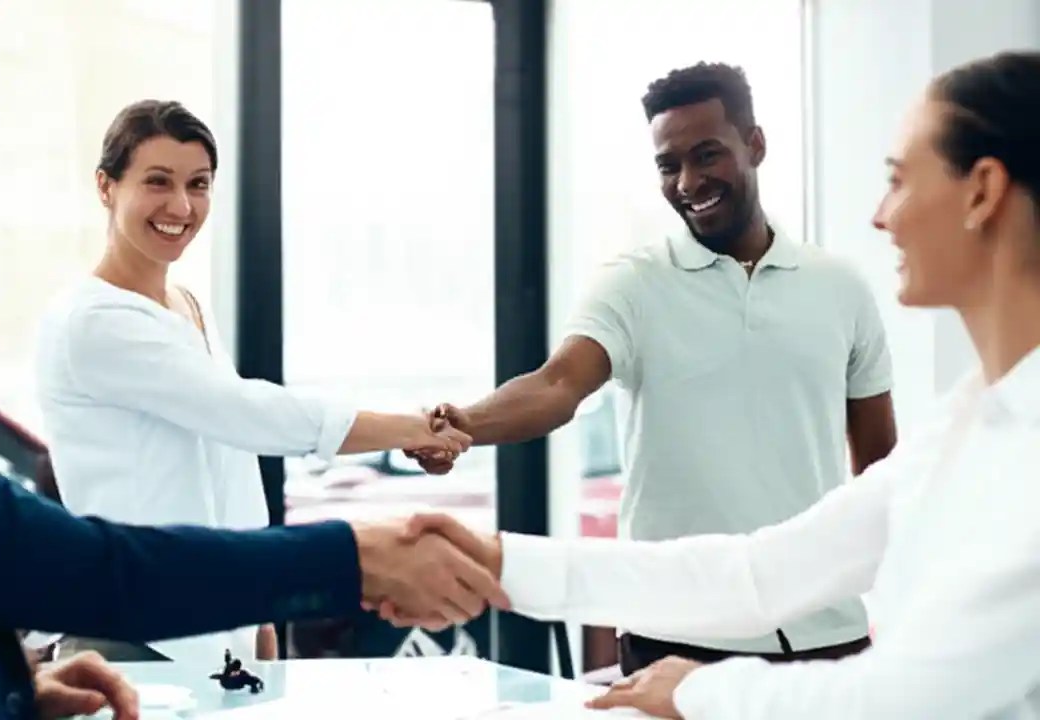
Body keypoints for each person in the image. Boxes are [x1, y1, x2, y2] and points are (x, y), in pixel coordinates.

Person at [0, 19, 507, 719]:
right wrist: (353, 556)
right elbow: (81, 562)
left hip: (205, 635)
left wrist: (10, 690)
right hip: (149, 632)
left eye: (199, 181)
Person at [391, 49, 1040, 719]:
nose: (882, 214)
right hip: (684, 630)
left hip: (819, 647)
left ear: (983, 191)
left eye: (899, 180)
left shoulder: (1017, 445)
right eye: (669, 165)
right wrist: (498, 563)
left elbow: (912, 699)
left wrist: (698, 692)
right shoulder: (965, 425)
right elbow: (759, 572)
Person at [413, 61, 898, 673]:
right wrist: (464, 423)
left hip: (823, 632)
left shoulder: (841, 287)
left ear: (755, 145)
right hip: (675, 631)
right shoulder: (634, 283)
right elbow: (558, 385)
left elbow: (880, 463)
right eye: (669, 166)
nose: (689, 181)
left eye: (707, 155)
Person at [34, 100, 469, 665]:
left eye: (199, 184)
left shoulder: (184, 303)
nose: (181, 206)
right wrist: (408, 426)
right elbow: (246, 413)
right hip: (134, 636)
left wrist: (256, 609)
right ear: (106, 186)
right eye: (158, 182)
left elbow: (225, 458)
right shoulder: (92, 321)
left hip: (210, 631)